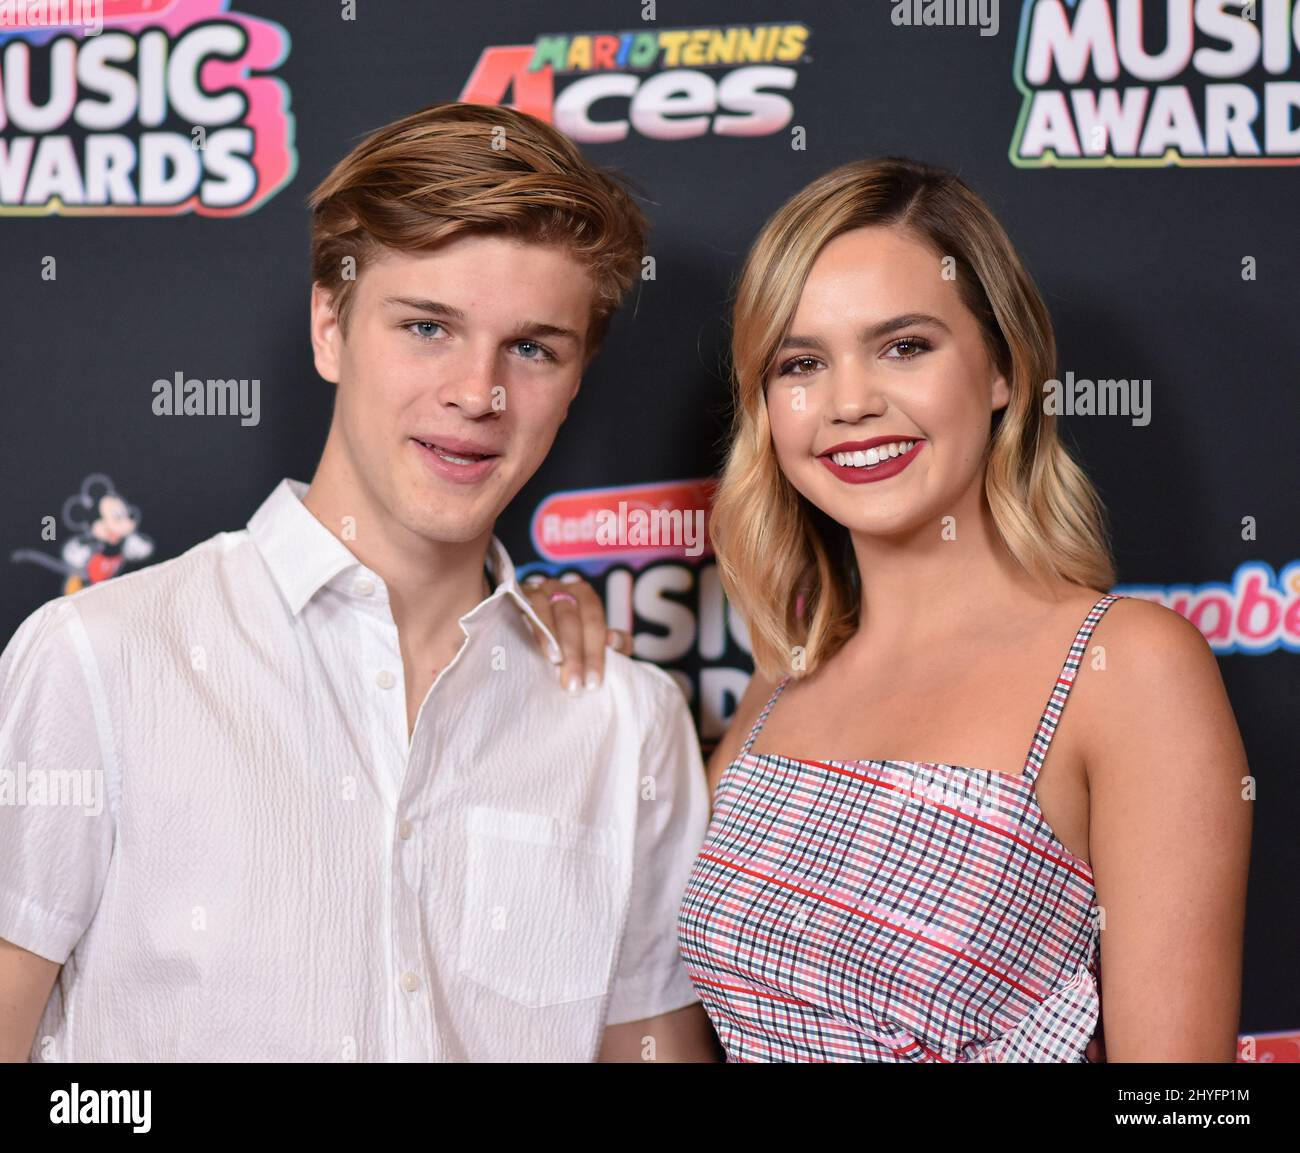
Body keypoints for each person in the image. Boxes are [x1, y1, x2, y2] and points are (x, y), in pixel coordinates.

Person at [0, 102, 717, 1063]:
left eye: (534, 347)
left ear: (578, 375)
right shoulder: (99, 659)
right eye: (427, 326)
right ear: (330, 327)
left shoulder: (627, 721)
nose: (478, 392)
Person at [534, 156, 1253, 1062]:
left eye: (904, 346)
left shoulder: (1125, 668)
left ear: (1003, 369)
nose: (851, 403)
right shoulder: (774, 696)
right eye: (801, 363)